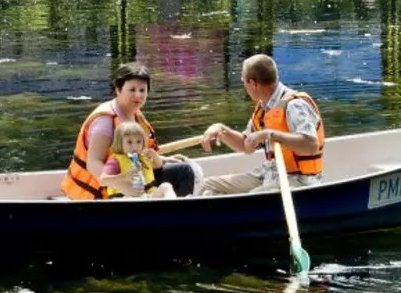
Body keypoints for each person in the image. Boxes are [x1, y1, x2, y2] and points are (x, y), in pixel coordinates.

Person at [61, 62, 201, 200]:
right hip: (106, 190)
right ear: (118, 89)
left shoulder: (135, 114)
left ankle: (173, 215)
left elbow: (135, 154)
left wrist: (163, 160)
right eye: (132, 90)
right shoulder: (104, 121)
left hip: (136, 178)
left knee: (186, 169)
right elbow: (93, 163)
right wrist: (121, 185)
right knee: (184, 172)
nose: (138, 95)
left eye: (142, 90)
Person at [198, 54, 325, 196]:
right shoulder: (264, 107)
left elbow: (311, 145)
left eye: (243, 82)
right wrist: (221, 130)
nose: (244, 87)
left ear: (252, 84)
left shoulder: (295, 105)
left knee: (251, 197)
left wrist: (269, 135)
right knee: (206, 185)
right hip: (269, 173)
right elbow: (246, 145)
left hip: (300, 179)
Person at [101, 121, 176, 199]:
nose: (135, 146)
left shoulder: (143, 156)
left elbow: (158, 166)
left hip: (147, 196)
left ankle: (173, 207)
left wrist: (155, 157)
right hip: (125, 198)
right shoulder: (115, 161)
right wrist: (124, 177)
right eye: (129, 142)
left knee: (166, 186)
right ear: (120, 143)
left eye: (138, 142)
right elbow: (103, 181)